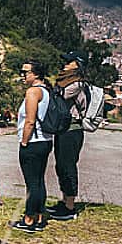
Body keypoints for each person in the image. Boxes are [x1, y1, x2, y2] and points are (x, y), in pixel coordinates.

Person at [14, 60, 52, 233]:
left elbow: (30, 120)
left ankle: (29, 218)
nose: (22, 75)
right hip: (44, 140)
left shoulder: (33, 92)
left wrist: (24, 141)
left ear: (36, 74)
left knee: (31, 182)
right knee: (38, 180)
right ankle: (38, 216)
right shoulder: (46, 91)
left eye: (26, 72)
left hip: (33, 141)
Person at [49, 53, 88, 221]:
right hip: (64, 129)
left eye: (69, 61)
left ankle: (70, 206)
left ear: (77, 65)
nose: (65, 64)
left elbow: (58, 97)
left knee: (68, 166)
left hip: (72, 129)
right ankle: (65, 201)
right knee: (61, 166)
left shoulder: (76, 84)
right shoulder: (66, 81)